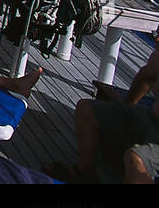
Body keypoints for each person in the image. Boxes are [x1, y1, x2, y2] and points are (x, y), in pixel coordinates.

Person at [50, 42, 159, 183]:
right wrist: (125, 109)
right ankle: (85, 175)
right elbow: (147, 76)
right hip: (151, 118)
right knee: (87, 109)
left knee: (136, 159)